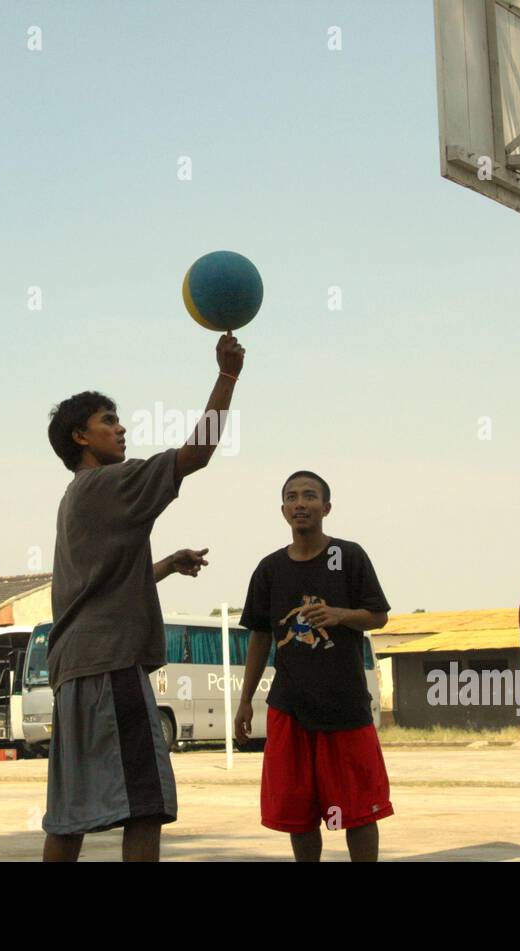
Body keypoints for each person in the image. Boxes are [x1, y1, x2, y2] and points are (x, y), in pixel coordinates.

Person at [41, 332, 245, 862]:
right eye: (109, 420)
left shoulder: (74, 499)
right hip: (111, 664)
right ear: (81, 436)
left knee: (71, 813)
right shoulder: (111, 484)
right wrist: (227, 376)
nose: (122, 427)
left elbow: (98, 585)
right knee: (146, 805)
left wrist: (163, 567)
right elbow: (196, 453)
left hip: (72, 668)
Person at [236, 470, 393, 862]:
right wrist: (244, 700)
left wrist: (340, 615)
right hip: (289, 708)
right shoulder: (269, 569)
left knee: (357, 812)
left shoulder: (350, 555)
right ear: (283, 510)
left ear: (326, 507)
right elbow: (259, 636)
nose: (300, 503)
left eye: (309, 496)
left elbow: (378, 617)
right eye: (292, 497)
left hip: (345, 706)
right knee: (298, 816)